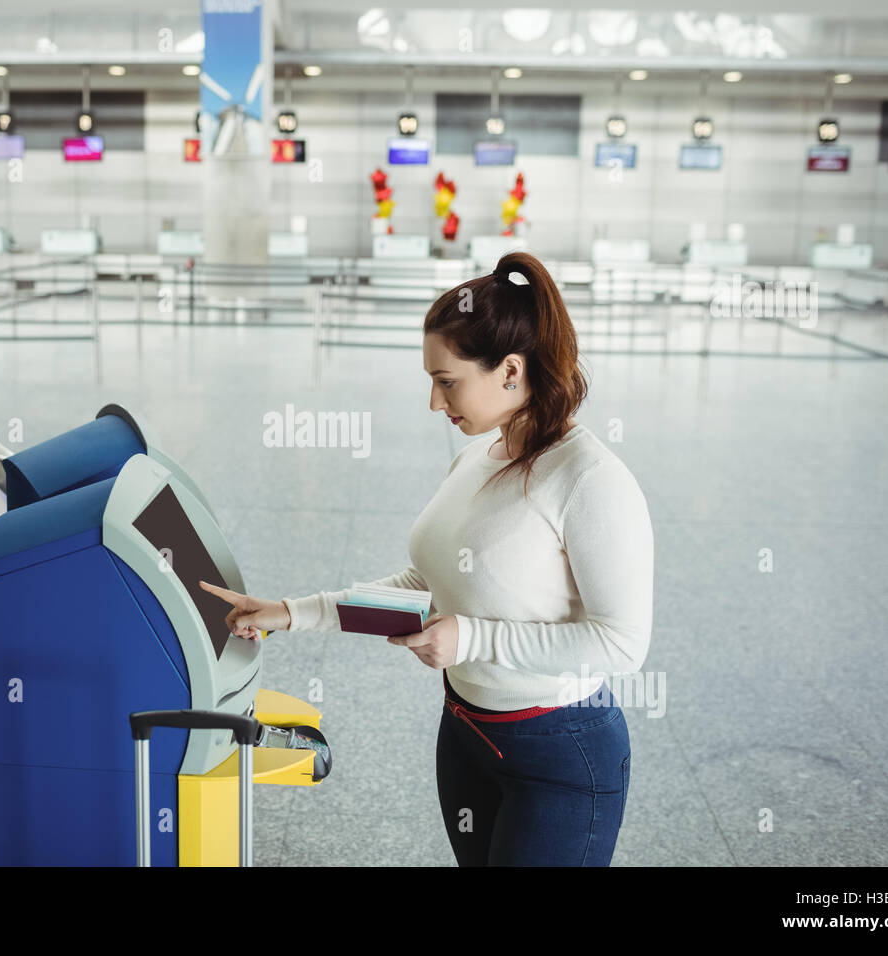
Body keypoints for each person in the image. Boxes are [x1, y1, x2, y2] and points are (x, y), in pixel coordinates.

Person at [199, 250, 654, 866]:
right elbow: (426, 584)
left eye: (447, 381)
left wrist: (471, 638)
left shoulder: (589, 479)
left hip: (560, 752)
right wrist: (292, 612)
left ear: (511, 372)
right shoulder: (475, 459)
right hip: (466, 733)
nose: (435, 404)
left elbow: (622, 642)